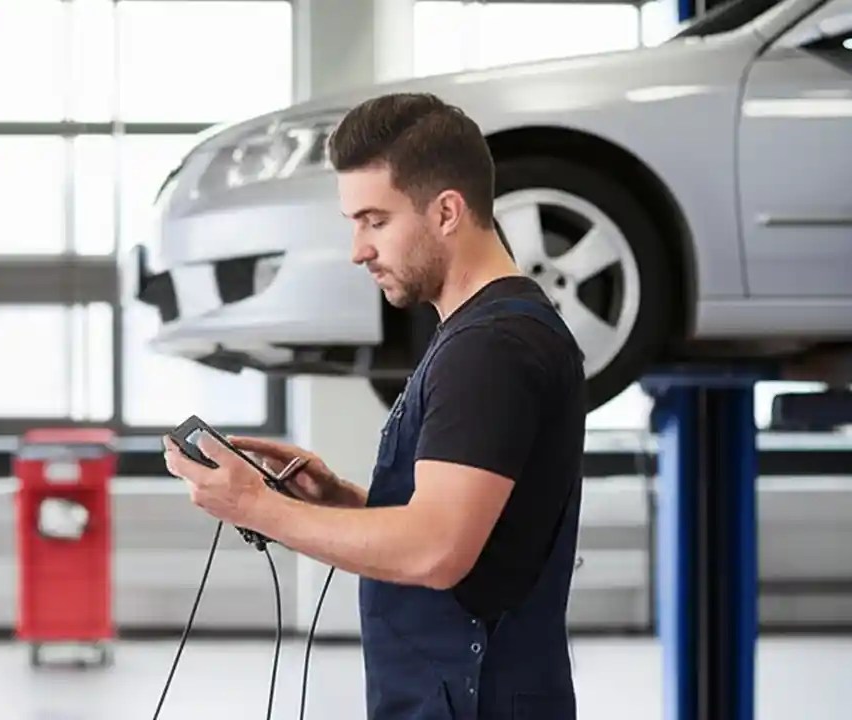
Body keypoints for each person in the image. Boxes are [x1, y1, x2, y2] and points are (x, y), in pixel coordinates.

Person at [162, 92, 587, 720]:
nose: (358, 248)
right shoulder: (493, 333)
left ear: (447, 211)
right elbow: (483, 536)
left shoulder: (490, 349)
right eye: (352, 223)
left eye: (375, 220)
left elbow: (436, 551)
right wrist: (343, 501)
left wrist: (255, 505)